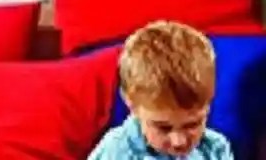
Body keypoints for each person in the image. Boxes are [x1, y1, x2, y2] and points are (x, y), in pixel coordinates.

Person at [87, 20, 233, 159]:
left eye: (192, 124)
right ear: (132, 104)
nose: (178, 141)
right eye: (163, 128)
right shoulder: (115, 152)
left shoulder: (215, 148)